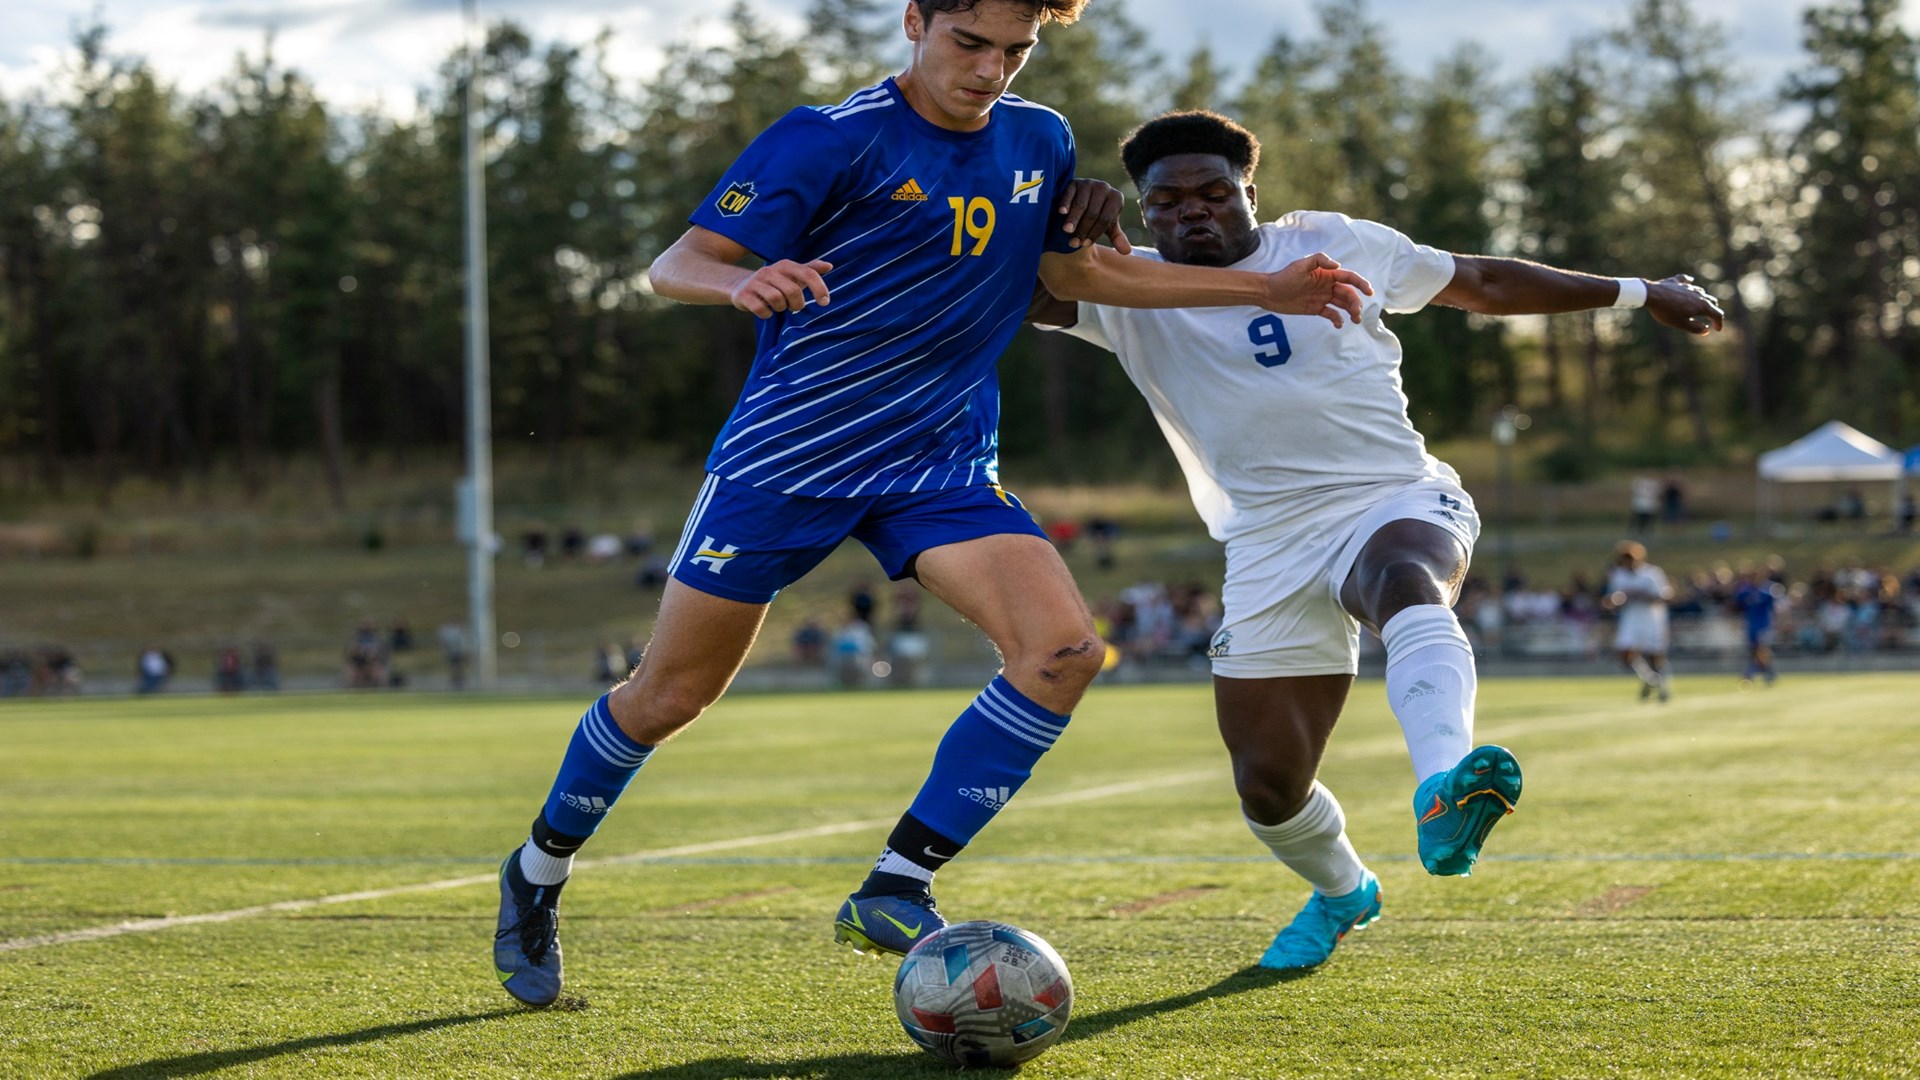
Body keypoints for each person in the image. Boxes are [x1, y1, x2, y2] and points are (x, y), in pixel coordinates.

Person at [488, 3, 1371, 1009]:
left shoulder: (1040, 138)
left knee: (1064, 652)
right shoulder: (830, 139)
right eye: (969, 43)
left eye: (1016, 51)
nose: (991, 69)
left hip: (940, 464)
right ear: (916, 19)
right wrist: (743, 284)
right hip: (792, 457)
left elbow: (1079, 275)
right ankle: (539, 869)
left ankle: (896, 885)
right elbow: (677, 264)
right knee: (668, 698)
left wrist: (1265, 289)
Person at [1030, 109, 1724, 970]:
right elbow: (1008, 285)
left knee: (1402, 576)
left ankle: (1443, 785)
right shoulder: (1120, 286)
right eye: (1165, 202)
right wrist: (1056, 216)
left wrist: (1640, 291)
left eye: (1214, 192)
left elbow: (1484, 283)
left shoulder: (1334, 241)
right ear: (1141, 211)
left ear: (1252, 194)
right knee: (1268, 788)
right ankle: (1343, 890)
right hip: (1267, 540)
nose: (1192, 211)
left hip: (1390, 494)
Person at [1606, 540, 1675, 702]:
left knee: (1655, 655)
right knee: (1625, 653)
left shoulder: (1652, 574)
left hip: (1652, 618)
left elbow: (1666, 595)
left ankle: (1664, 688)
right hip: (1631, 618)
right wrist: (1612, 602)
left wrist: (1643, 596)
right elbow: (1614, 596)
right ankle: (1651, 679)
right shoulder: (1619, 575)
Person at [1731, 568, 1779, 687]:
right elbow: (1735, 604)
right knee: (1755, 652)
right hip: (1751, 626)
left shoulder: (1766, 593)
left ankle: (1749, 674)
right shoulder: (1745, 593)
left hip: (1763, 626)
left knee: (1761, 650)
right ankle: (1769, 673)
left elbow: (1773, 608)